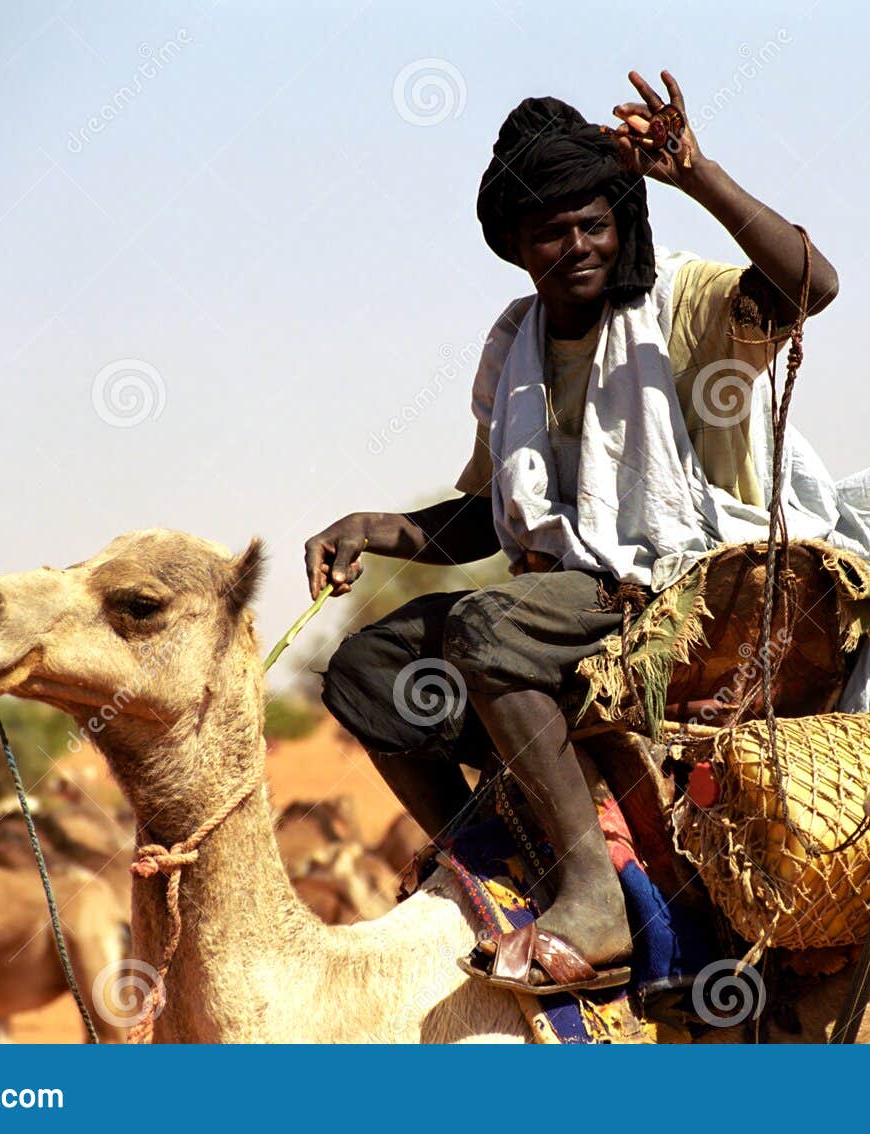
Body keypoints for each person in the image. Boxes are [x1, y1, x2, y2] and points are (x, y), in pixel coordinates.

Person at [311, 70, 841, 994]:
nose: (578, 246)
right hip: (562, 598)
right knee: (363, 669)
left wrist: (698, 173)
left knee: (486, 626)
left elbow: (812, 287)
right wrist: (372, 527)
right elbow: (496, 515)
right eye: (551, 230)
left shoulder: (682, 304)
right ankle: (480, 855)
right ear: (515, 246)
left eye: (594, 222)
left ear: (622, 221)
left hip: (679, 589)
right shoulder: (515, 344)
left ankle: (594, 903)